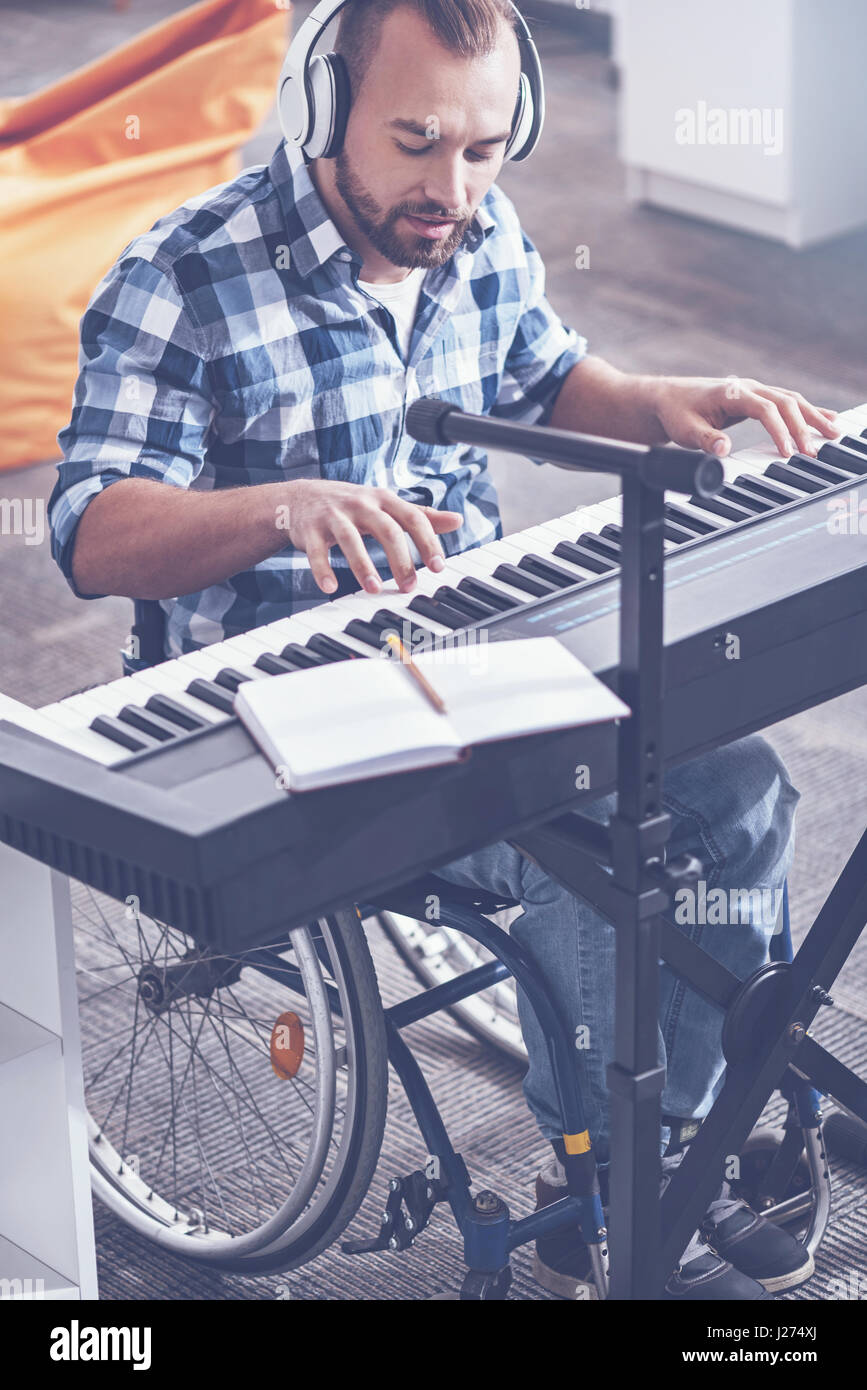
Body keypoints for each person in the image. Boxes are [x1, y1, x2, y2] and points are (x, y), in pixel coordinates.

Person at [50, 0, 833, 1298]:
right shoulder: (182, 272)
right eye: (415, 144)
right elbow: (87, 529)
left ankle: (696, 1117)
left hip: (483, 649)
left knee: (740, 783)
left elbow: (542, 376)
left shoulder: (471, 232)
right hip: (284, 710)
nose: (451, 190)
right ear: (322, 109)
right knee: (599, 829)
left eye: (481, 151)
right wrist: (282, 506)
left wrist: (664, 402)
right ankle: (606, 1187)